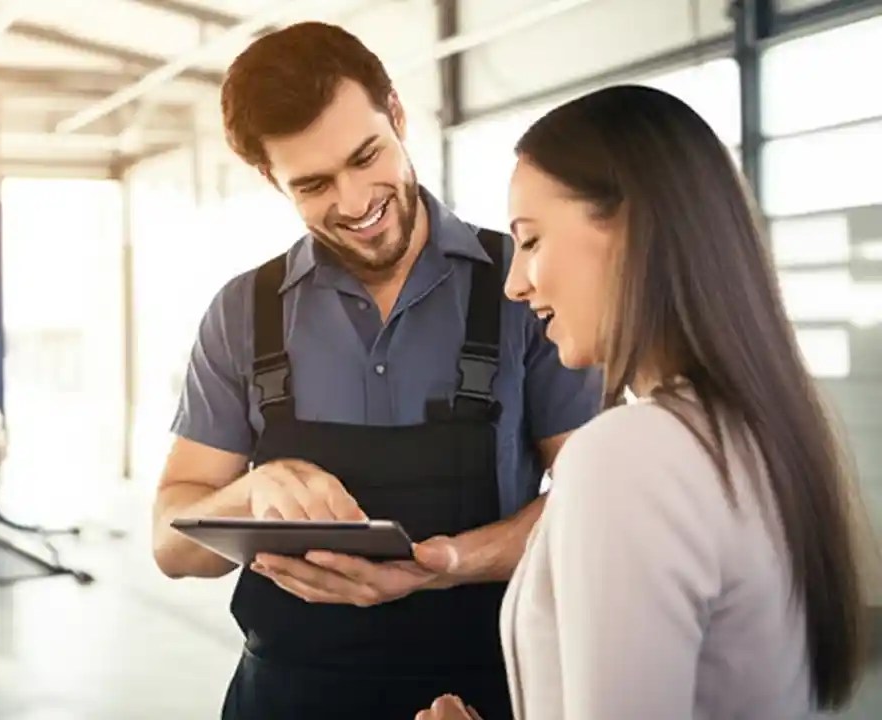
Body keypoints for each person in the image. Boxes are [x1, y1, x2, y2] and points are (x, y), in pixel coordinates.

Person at [149, 21, 602, 720]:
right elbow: (174, 547)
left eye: (367, 157)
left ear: (396, 113)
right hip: (284, 700)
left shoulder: (524, 289)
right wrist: (253, 491)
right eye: (315, 184)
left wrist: (445, 565)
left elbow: (591, 513)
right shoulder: (242, 314)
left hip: (477, 697)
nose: (356, 202)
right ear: (272, 179)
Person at [415, 84, 871, 720]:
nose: (516, 283)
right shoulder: (759, 431)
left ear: (629, 229)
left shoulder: (629, 454)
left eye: (533, 240)